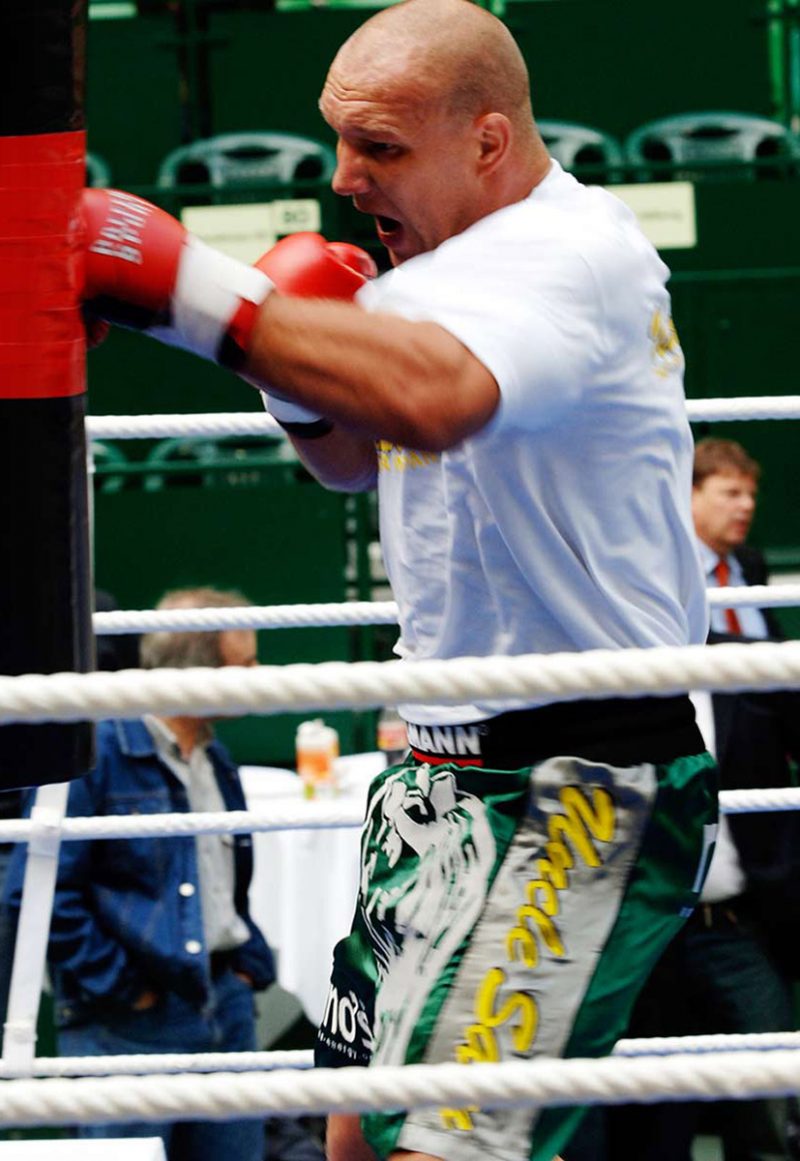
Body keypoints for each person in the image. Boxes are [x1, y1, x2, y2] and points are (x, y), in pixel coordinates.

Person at [79, 3, 719, 1159]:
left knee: (443, 1153)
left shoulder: (568, 251)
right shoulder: (427, 267)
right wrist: (285, 361)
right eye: (337, 141)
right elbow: (346, 456)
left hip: (576, 773)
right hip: (431, 768)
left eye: (379, 147)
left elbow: (433, 400)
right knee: (351, 1141)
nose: (344, 177)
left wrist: (193, 290)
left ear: (486, 140)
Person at [569, 440, 800, 1161]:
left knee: (772, 1113)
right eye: (729, 492)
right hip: (638, 929)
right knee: (649, 1125)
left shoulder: (741, 655)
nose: (745, 507)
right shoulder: (596, 682)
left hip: (735, 920)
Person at [2, 587, 275, 1160]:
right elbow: (36, 891)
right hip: (128, 1025)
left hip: (218, 1007)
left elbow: (225, 878)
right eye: (245, 664)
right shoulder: (96, 752)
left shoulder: (211, 754)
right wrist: (127, 990)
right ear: (201, 674)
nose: (259, 677)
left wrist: (245, 966)